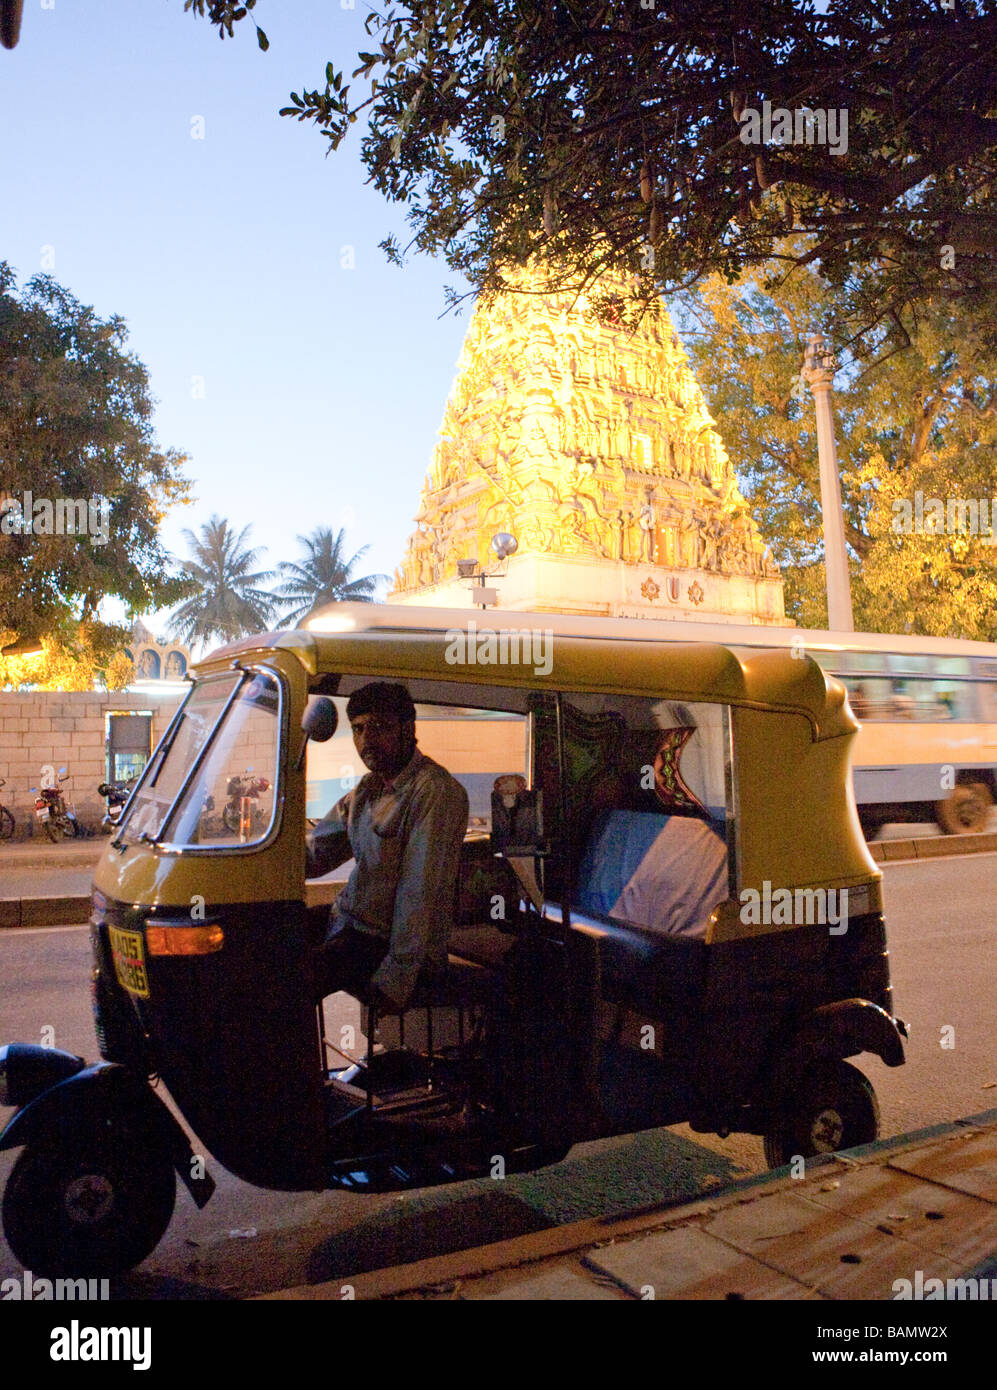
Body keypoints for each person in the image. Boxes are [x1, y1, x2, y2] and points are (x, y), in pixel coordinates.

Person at [306, 682, 469, 1012]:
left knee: (288, 984)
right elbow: (317, 853)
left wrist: (396, 977)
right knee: (266, 941)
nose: (366, 739)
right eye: (359, 728)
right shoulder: (368, 789)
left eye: (380, 727)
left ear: (408, 729)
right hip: (350, 925)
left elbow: (419, 892)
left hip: (383, 941)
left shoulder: (433, 790)